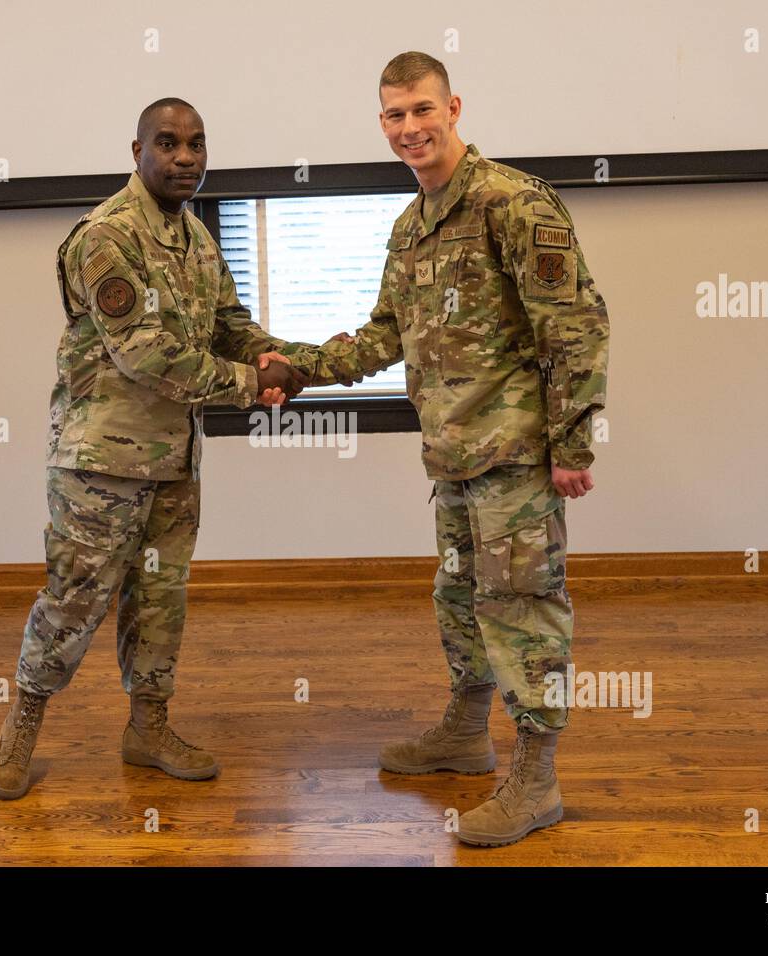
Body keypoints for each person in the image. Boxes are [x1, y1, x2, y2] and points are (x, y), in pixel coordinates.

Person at [0, 97, 327, 798]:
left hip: (174, 460)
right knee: (75, 600)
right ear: (137, 151)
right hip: (101, 464)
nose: (185, 157)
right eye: (168, 143)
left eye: (197, 144)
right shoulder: (107, 237)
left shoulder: (195, 237)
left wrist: (292, 359)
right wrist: (252, 382)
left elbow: (230, 326)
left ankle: (148, 727)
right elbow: (144, 353)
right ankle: (22, 722)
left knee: (159, 598)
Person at [313, 52, 610, 846]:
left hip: (514, 455)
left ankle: (537, 779)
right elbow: (383, 335)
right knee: (458, 598)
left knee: (523, 609)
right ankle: (466, 733)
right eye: (395, 114)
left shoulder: (512, 202)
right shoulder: (411, 227)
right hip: (452, 457)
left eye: (422, 109)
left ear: (453, 109)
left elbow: (576, 327)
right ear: (382, 124)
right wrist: (294, 367)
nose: (410, 127)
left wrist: (572, 445)